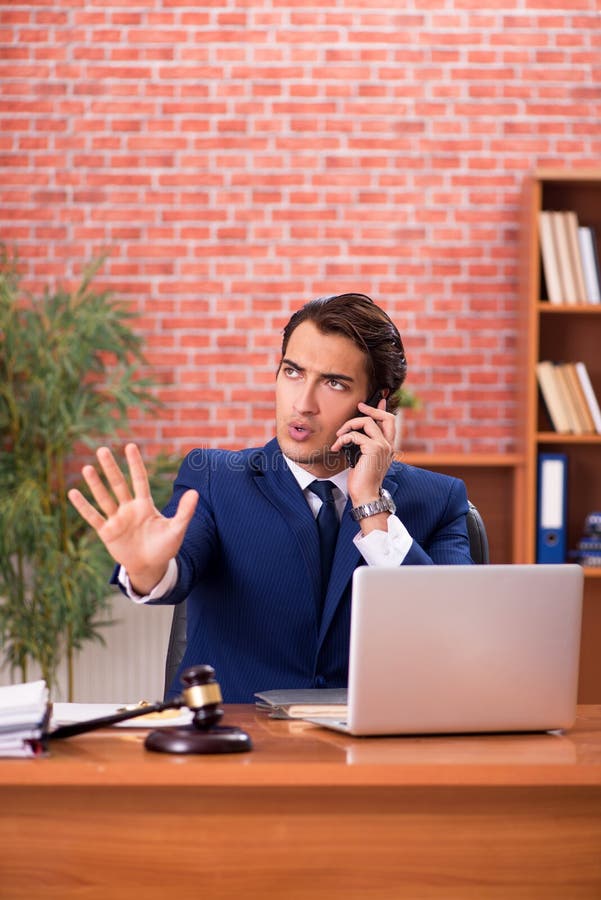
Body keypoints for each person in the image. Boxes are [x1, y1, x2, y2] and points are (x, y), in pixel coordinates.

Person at [69, 293, 473, 702]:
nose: (303, 403)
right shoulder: (215, 478)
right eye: (293, 372)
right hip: (234, 744)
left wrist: (371, 504)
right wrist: (146, 569)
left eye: (334, 383)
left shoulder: (438, 499)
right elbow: (175, 571)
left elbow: (455, 631)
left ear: (375, 403)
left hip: (371, 747)